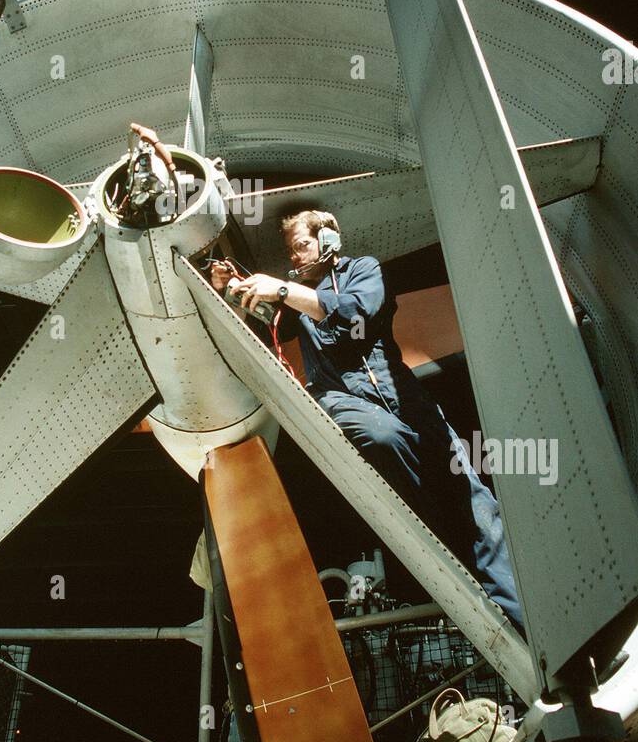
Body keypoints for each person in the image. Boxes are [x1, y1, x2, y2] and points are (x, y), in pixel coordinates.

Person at [210, 209, 525, 633]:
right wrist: (227, 291)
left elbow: (356, 315)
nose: (296, 258)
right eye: (290, 252)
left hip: (408, 400)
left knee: (475, 503)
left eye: (302, 245)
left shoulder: (364, 270)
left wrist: (282, 288)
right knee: (382, 436)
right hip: (341, 398)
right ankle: (445, 572)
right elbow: (248, 329)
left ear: (327, 240)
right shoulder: (297, 302)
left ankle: (521, 621)